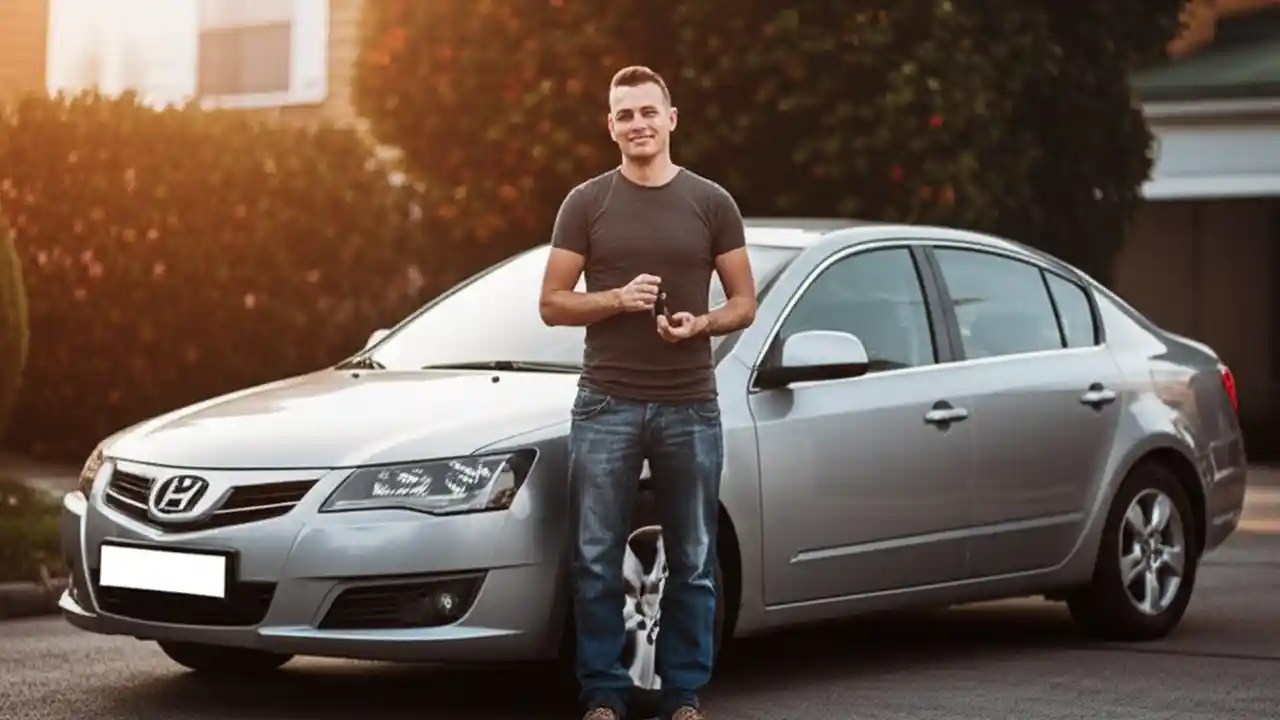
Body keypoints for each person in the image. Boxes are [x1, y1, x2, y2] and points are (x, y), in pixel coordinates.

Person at [539, 65, 757, 720]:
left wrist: (703, 323)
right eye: (624, 114)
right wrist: (615, 299)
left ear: (671, 118)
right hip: (605, 402)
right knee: (595, 556)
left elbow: (744, 301)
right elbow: (551, 303)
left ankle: (682, 693)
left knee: (692, 558)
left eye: (647, 112)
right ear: (610, 126)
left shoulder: (711, 202)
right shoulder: (586, 202)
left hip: (690, 401)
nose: (637, 123)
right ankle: (603, 694)